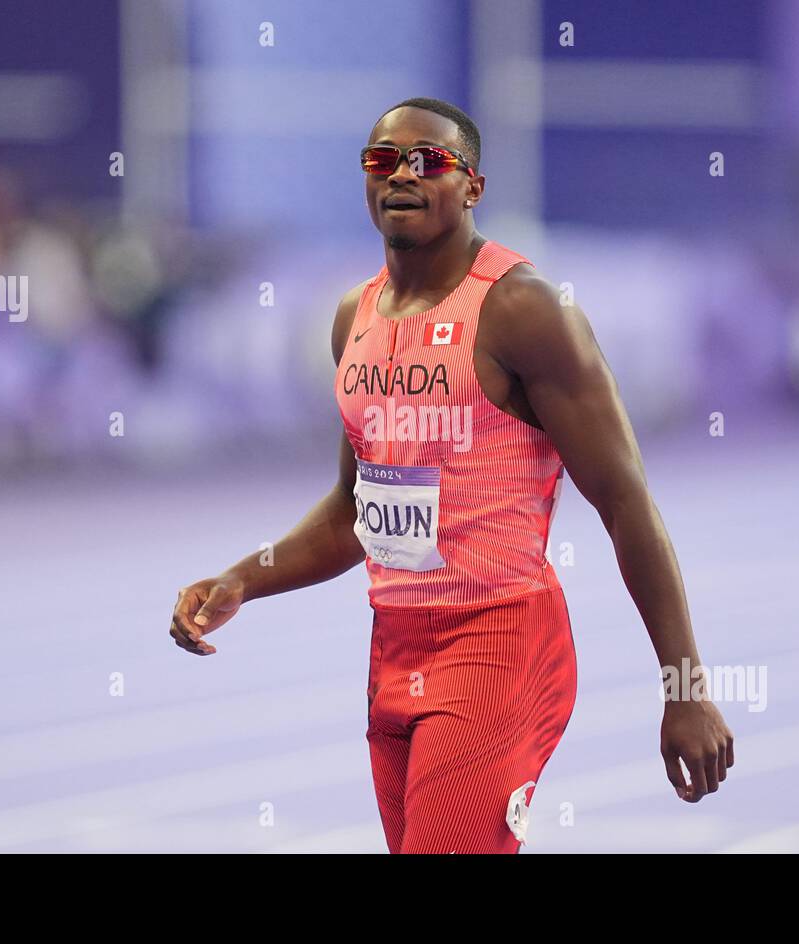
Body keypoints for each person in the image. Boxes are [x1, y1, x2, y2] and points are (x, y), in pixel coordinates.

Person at [171, 97, 734, 853]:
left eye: (428, 160)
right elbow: (354, 509)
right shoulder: (355, 318)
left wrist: (685, 688)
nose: (402, 174)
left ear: (472, 185)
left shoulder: (522, 309)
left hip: (499, 637)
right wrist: (244, 578)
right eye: (382, 160)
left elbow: (626, 500)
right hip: (394, 646)